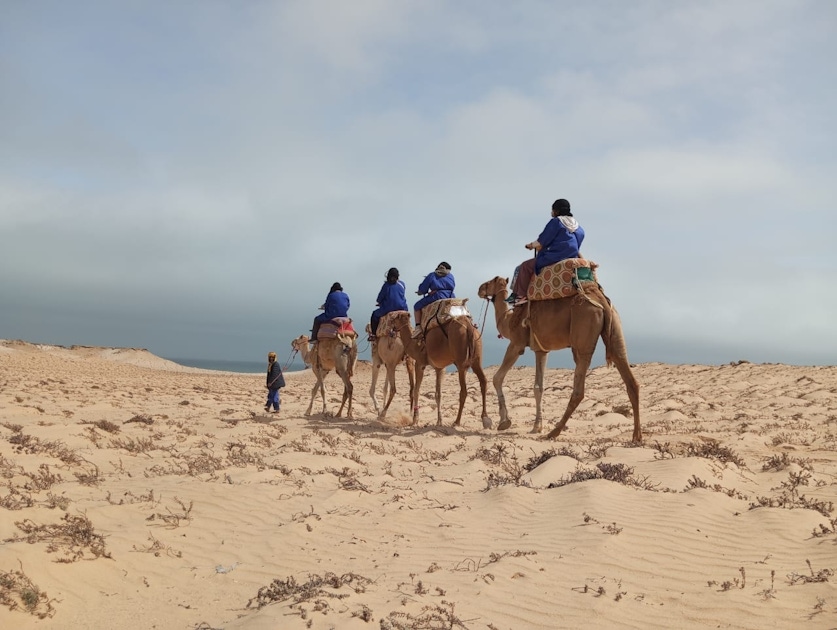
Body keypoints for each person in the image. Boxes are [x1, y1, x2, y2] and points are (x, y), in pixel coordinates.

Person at [508, 198, 584, 304]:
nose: (552, 212)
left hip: (554, 257)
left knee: (525, 266)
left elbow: (542, 240)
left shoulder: (556, 222)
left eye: (553, 210)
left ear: (556, 211)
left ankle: (520, 296)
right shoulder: (578, 227)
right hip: (572, 256)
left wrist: (530, 245)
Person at [369, 267, 408, 341]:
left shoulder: (386, 285)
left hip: (388, 308)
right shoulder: (402, 284)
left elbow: (379, 299)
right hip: (403, 308)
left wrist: (380, 303)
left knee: (374, 315)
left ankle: (373, 334)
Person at [414, 262, 455, 327]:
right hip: (451, 296)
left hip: (437, 296)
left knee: (416, 306)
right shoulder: (450, 276)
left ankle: (418, 327)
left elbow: (423, 289)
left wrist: (420, 292)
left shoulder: (432, 275)